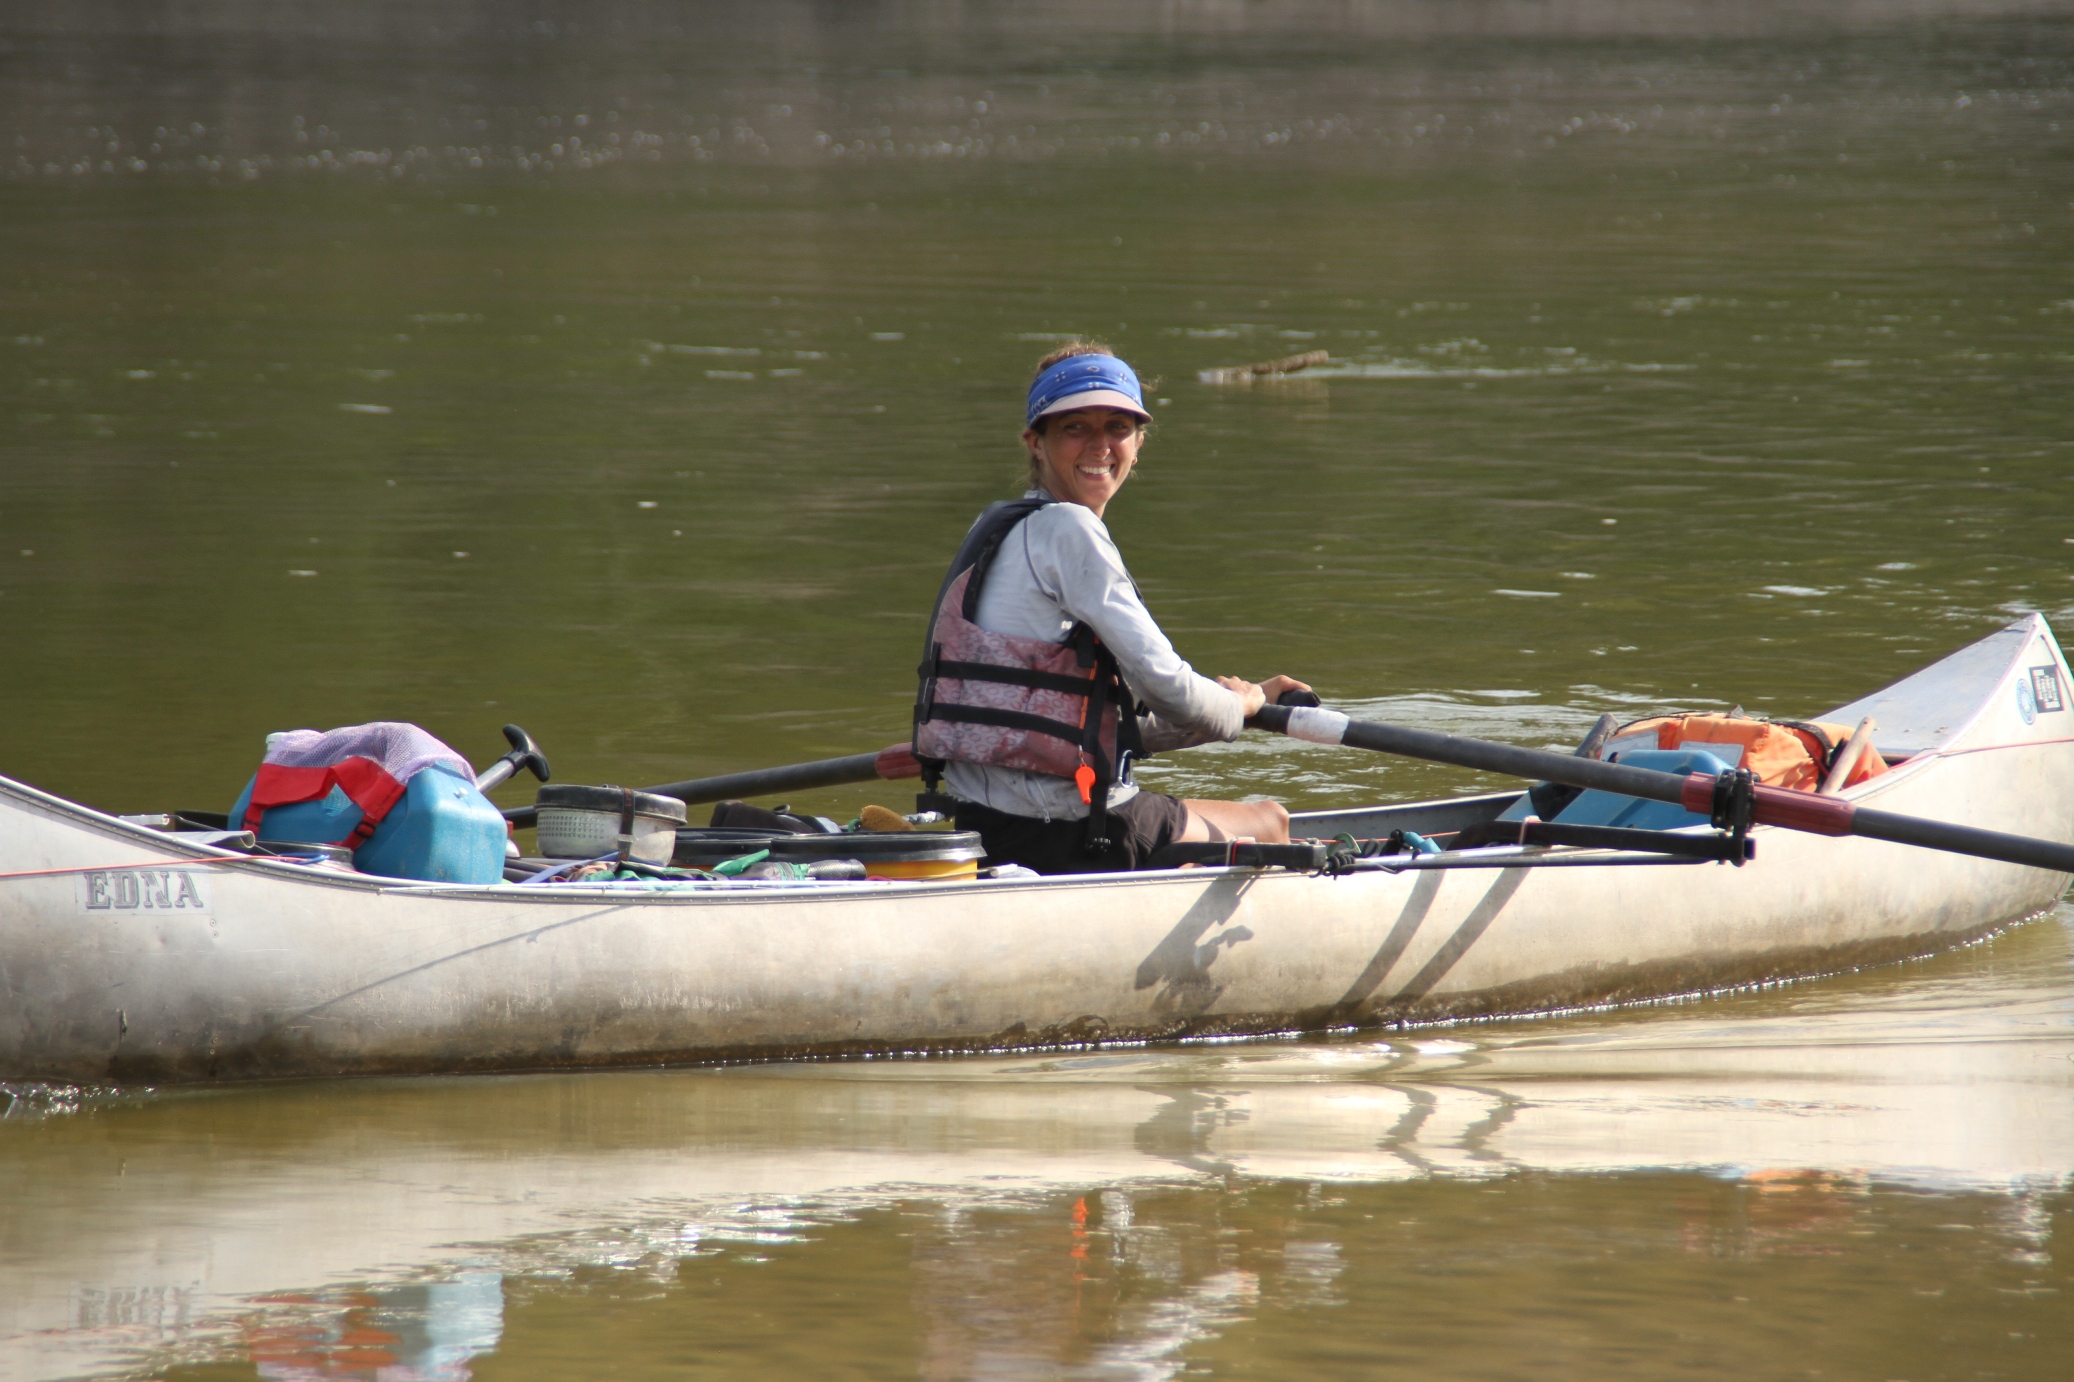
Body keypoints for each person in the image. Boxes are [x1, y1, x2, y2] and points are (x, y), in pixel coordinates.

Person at [912, 342, 1311, 874]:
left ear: (1139, 442)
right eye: (1075, 427)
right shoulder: (1072, 530)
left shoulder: (998, 526)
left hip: (975, 824)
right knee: (1271, 821)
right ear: (1036, 442)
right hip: (1065, 831)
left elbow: (1099, 725)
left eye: (1117, 428)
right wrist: (1239, 705)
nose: (1100, 445)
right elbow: (1174, 693)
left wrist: (1247, 700)